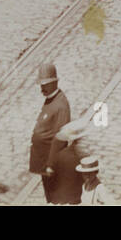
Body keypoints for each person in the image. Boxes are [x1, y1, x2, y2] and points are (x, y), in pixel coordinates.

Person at [28, 61, 72, 203]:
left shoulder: (61, 105)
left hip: (51, 163)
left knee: (55, 197)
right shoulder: (50, 99)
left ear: (55, 82)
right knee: (49, 195)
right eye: (41, 84)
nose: (42, 87)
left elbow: (61, 138)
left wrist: (51, 165)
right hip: (43, 161)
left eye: (46, 84)